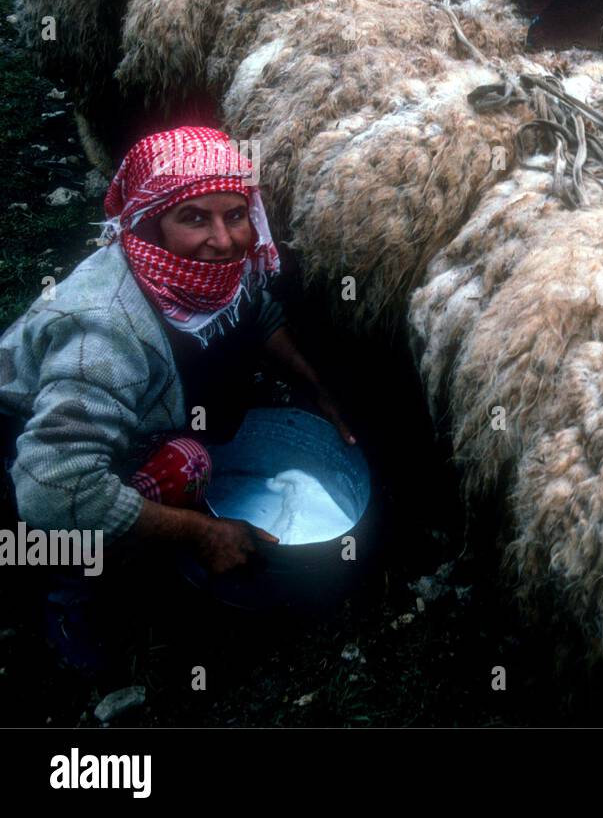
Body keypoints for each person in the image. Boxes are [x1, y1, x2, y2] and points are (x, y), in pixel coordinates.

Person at [0, 126, 354, 669]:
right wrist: (202, 532)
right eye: (194, 218)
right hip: (31, 457)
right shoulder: (104, 332)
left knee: (191, 454)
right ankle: (72, 593)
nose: (225, 240)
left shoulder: (208, 271)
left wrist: (319, 390)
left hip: (117, 422)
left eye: (235, 215)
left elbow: (255, 312)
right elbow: (53, 487)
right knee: (159, 475)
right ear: (149, 222)